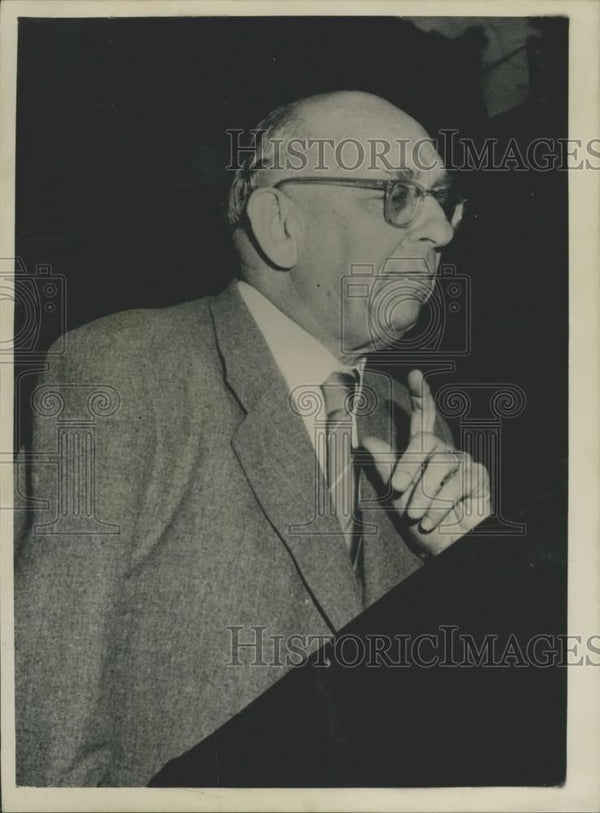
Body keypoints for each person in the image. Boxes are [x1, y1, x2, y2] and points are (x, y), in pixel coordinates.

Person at [15, 90, 491, 786]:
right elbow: (41, 717)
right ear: (280, 223)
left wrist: (470, 568)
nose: (440, 233)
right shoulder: (126, 369)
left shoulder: (410, 422)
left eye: (442, 202)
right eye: (396, 194)